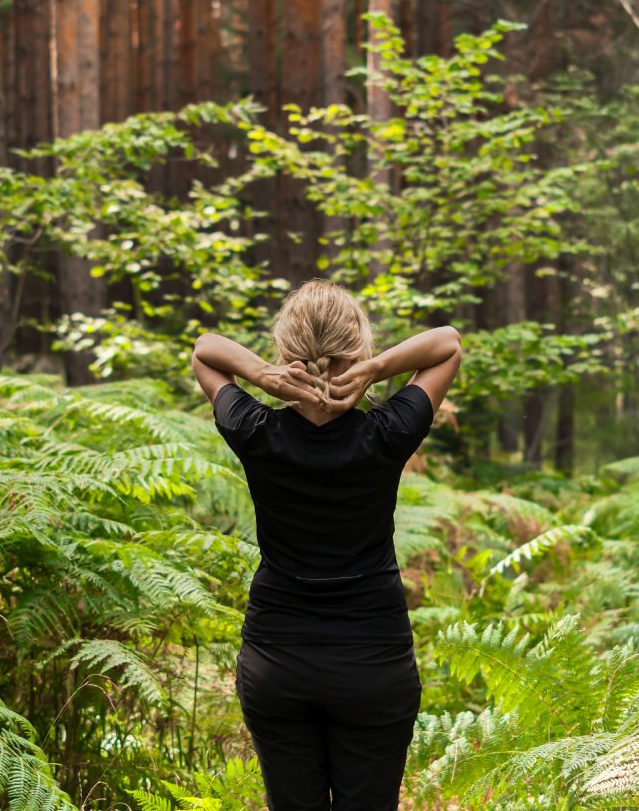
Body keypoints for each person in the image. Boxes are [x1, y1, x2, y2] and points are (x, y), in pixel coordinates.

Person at [190, 280, 464, 811]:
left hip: (277, 661)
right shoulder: (388, 432)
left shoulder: (255, 430)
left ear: (286, 352)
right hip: (373, 662)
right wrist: (375, 370)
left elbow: (206, 349)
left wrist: (264, 376)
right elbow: (447, 342)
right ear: (356, 349)